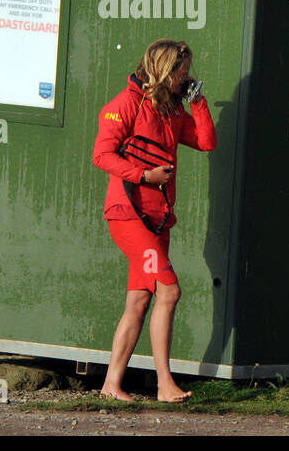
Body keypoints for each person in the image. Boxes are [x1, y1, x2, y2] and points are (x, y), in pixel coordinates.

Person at [92, 39, 216, 403]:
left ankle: (111, 386)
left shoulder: (175, 110)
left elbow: (207, 142)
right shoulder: (126, 104)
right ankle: (164, 383)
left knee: (139, 301)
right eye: (182, 71)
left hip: (158, 219)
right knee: (170, 290)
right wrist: (144, 176)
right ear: (165, 70)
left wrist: (199, 102)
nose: (187, 77)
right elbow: (101, 155)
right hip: (128, 214)